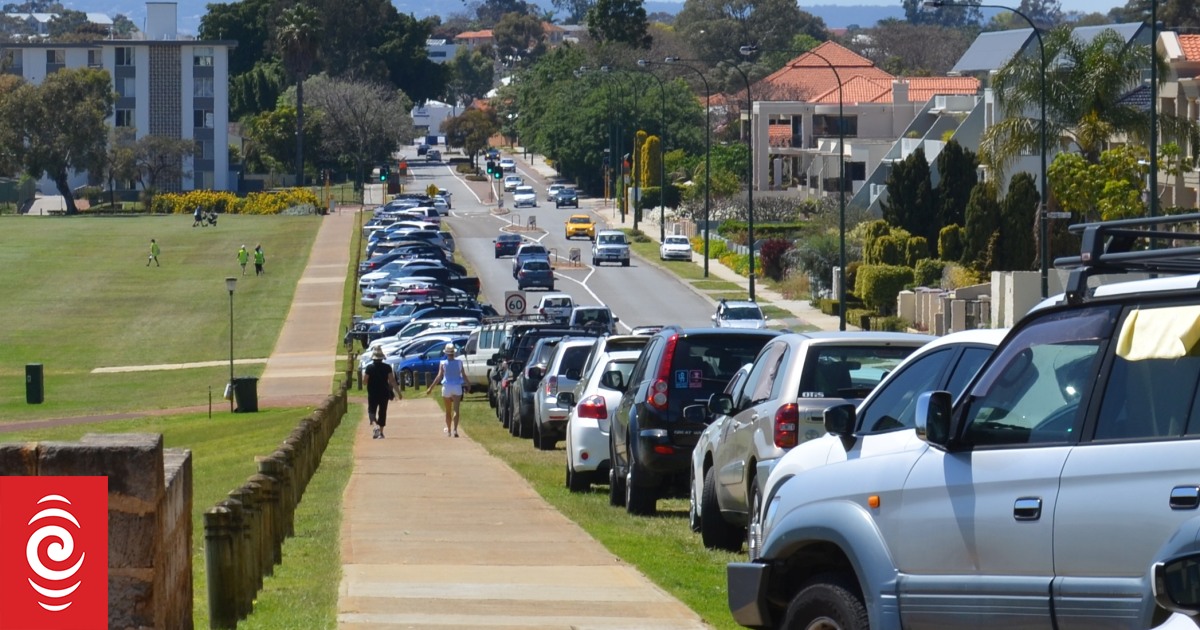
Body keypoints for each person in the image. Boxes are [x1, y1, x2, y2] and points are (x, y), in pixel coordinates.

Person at [427, 343, 469, 437]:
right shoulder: (459, 362)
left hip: (446, 387)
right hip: (457, 387)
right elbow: (464, 375)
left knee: (447, 410)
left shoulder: (443, 363)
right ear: (454, 353)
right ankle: (455, 430)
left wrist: (431, 387)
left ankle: (449, 430)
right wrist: (468, 384)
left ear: (446, 353)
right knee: (456, 410)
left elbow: (439, 377)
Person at [363, 346, 401, 439]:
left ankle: (375, 426)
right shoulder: (387, 367)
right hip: (384, 393)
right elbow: (392, 381)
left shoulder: (369, 368)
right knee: (382, 412)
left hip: (372, 393)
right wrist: (398, 392)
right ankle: (381, 432)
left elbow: (364, 382)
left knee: (371, 411)